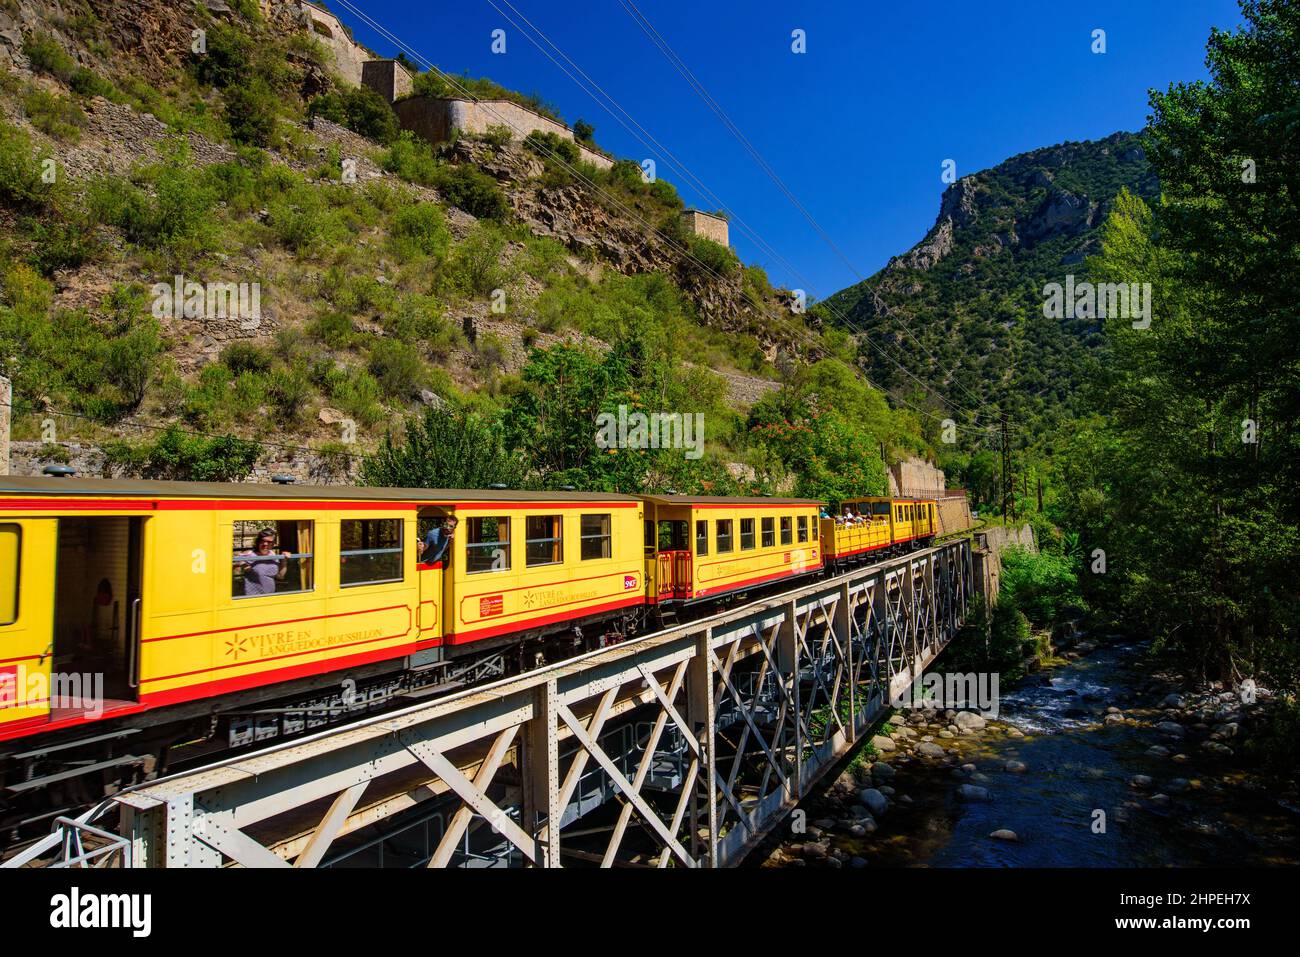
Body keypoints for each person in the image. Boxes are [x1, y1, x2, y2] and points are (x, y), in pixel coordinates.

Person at [235, 528, 291, 596]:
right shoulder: (250, 554)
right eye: (262, 541)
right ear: (258, 542)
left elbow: (280, 576)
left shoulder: (273, 555)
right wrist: (244, 565)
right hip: (252, 597)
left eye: (269, 542)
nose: (265, 544)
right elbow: (233, 560)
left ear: (273, 543)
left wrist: (284, 560)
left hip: (270, 595)